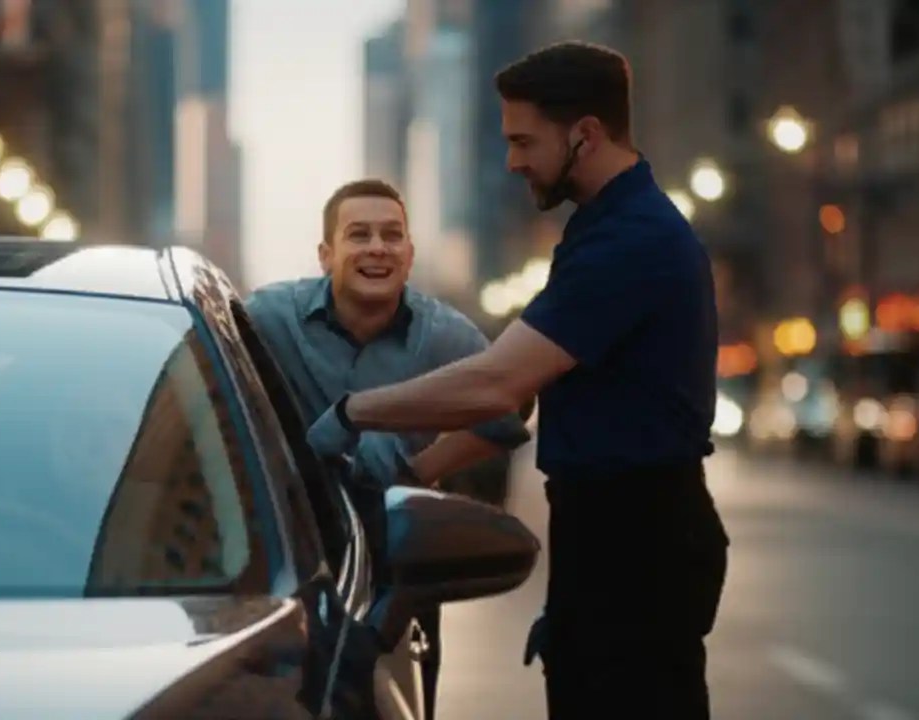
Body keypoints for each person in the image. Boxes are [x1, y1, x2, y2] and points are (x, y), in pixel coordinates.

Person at [304, 42, 730, 719]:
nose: (512, 160)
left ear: (584, 135)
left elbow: (500, 382)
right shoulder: (601, 230)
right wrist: (416, 470)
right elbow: (523, 399)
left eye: (524, 141)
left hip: (639, 540)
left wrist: (353, 412)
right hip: (613, 532)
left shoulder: (631, 243)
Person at [244, 178, 531, 720]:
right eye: (359, 235)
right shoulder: (265, 319)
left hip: (403, 566)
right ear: (326, 254)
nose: (378, 247)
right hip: (288, 564)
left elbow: (509, 412)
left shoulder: (447, 337)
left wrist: (418, 470)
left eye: (391, 235)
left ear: (410, 254)